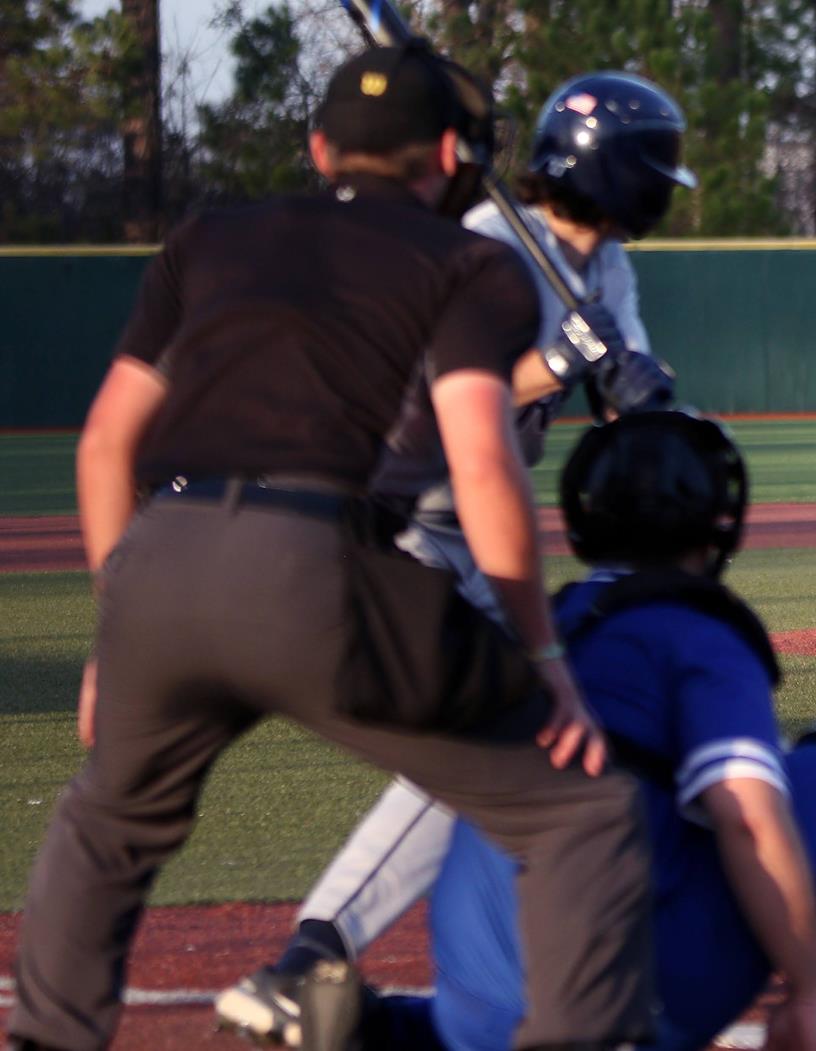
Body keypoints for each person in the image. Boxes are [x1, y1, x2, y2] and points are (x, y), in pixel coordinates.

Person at [4, 46, 656, 1051]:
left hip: (164, 557)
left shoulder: (209, 236)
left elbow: (104, 443)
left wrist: (119, 616)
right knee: (581, 814)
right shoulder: (469, 261)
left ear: (317, 150)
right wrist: (542, 657)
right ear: (449, 154)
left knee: (106, 827)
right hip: (326, 565)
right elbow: (481, 466)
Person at [213, 70, 696, 1044]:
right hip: (390, 524)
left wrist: (638, 386)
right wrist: (556, 361)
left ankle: (317, 961)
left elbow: (624, 393)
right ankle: (331, 959)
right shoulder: (475, 248)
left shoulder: (602, 268)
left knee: (495, 747)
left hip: (466, 539)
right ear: (619, 172)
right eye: (654, 170)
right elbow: (445, 396)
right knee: (493, 742)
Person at [331, 411, 816, 1051]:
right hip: (625, 1009)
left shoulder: (540, 629)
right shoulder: (698, 632)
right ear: (715, 519)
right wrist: (807, 985)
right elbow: (748, 817)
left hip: (470, 1009)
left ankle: (401, 1033)